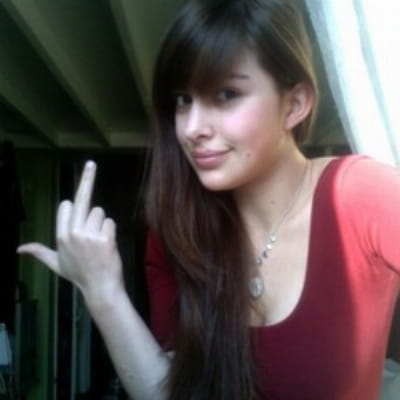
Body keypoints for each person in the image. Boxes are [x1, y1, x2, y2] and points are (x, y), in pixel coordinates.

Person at [17, 0, 400, 399]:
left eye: (226, 94)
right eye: (183, 100)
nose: (191, 128)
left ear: (294, 104)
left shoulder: (358, 195)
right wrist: (102, 291)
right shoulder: (176, 232)